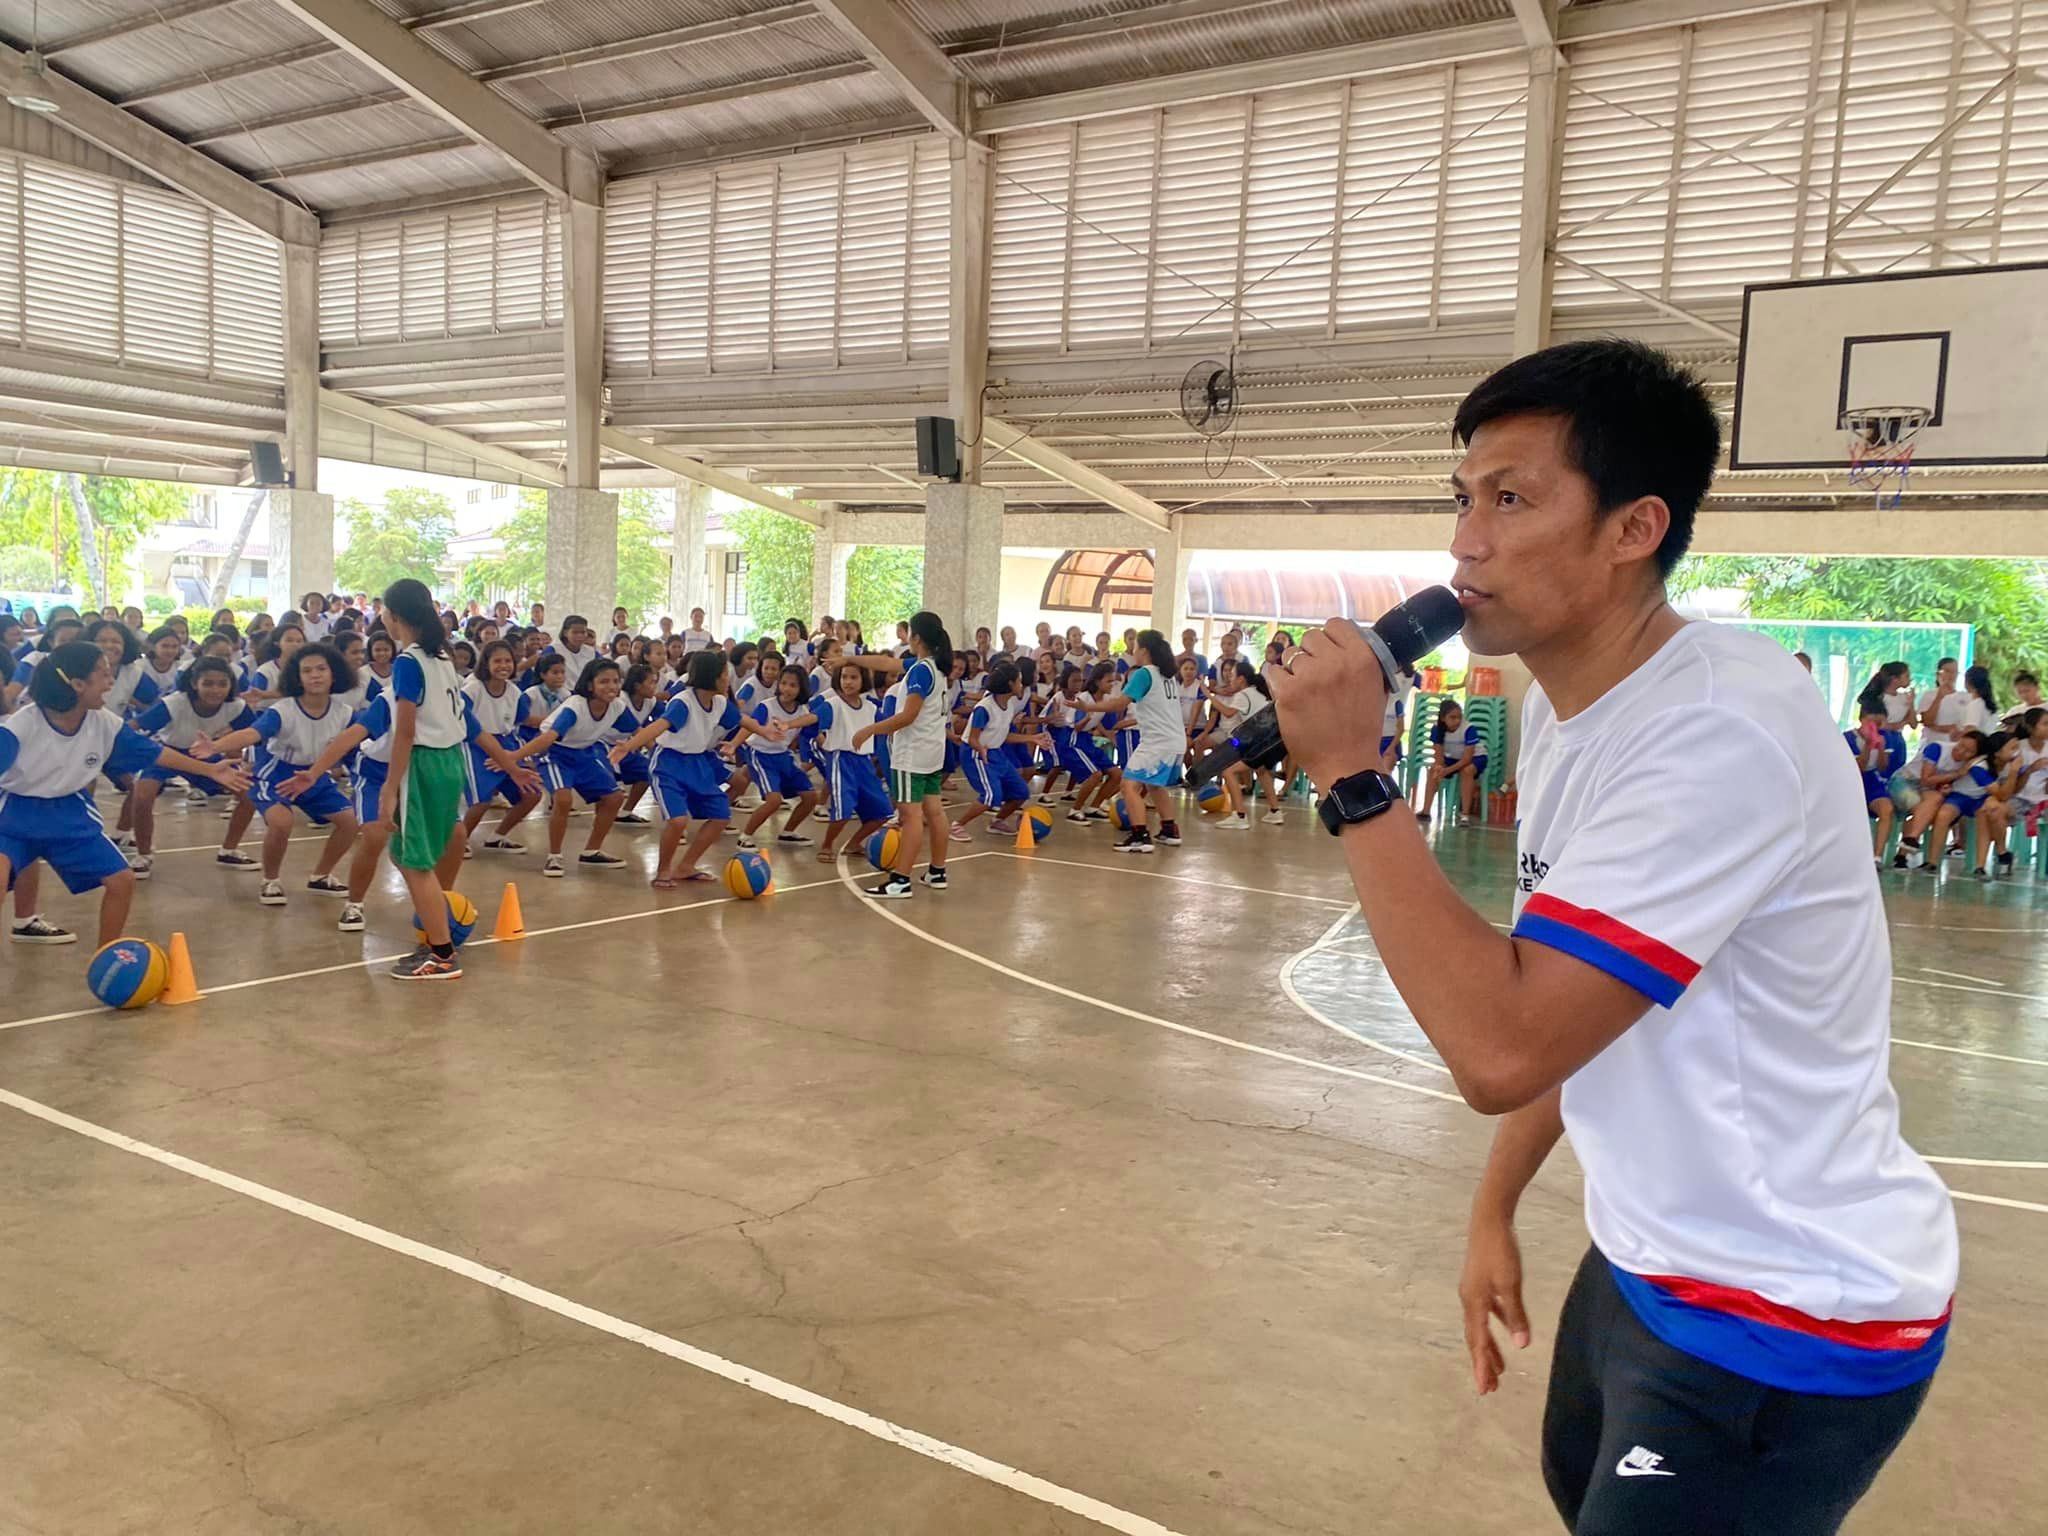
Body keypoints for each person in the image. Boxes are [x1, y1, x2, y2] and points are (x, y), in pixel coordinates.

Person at [1267, 338, 1954, 1536]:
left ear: (1634, 529)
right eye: (1463, 500)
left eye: (1512, 499)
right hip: (1646, 1256)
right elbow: (1571, 1002)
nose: (1463, 542)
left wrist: (1351, 776)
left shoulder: (1713, 733)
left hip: (1781, 1309)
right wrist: (1493, 1211)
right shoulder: (1583, 709)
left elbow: (1501, 1048)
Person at [0, 642, 246, 946]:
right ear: (77, 685)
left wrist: (208, 770)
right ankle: (25, 922)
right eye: (103, 675)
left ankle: (106, 955)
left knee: (122, 881)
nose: (111, 682)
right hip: (16, 815)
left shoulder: (104, 722)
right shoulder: (23, 724)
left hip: (70, 813)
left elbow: (155, 752)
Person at [195, 642, 363, 908]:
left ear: (335, 674)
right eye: (307, 670)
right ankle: (270, 880)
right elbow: (252, 734)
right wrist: (215, 746)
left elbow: (359, 748)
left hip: (313, 774)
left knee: (350, 823)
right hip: (275, 773)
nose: (315, 675)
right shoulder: (283, 710)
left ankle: (320, 875)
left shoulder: (345, 714)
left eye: (321, 669)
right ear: (297, 677)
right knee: (281, 822)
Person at [607, 649, 781, 887]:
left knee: (720, 816)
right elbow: (658, 726)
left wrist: (766, 731)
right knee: (677, 821)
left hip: (697, 763)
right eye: (723, 675)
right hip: (668, 763)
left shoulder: (719, 702)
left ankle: (686, 866)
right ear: (711, 677)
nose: (727, 679)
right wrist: (628, 746)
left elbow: (742, 720)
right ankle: (663, 871)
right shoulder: (684, 702)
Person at [126, 657, 254, 879]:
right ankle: (143, 855)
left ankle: (229, 850)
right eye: (208, 683)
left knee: (249, 794)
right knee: (142, 796)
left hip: (204, 756)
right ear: (195, 684)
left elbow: (257, 734)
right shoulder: (174, 703)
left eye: (222, 684)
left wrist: (248, 761)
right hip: (167, 753)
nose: (215, 690)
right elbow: (133, 727)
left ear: (230, 685)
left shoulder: (237, 707)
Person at [508, 658, 636, 878]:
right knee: (564, 799)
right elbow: (548, 737)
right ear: (590, 685)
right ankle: (554, 856)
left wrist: (633, 744)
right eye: (604, 681)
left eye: (616, 681)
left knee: (614, 798)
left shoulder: (617, 706)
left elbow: (636, 728)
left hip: (585, 752)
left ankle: (591, 851)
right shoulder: (575, 706)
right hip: (556, 753)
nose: (612, 686)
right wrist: (512, 758)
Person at [857, 611, 954, 898]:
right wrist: (850, 659)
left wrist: (870, 730)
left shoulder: (922, 671)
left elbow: (908, 716)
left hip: (912, 753)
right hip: (932, 752)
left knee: (910, 816)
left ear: (916, 638)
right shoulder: (934, 666)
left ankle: (900, 880)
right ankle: (937, 871)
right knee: (934, 812)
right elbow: (886, 663)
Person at [1069, 630, 1185, 854]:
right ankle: (1170, 830)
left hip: (1157, 741)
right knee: (1154, 785)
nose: (1132, 650)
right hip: (1174, 740)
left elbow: (1119, 704)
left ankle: (1140, 836)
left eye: (1135, 646)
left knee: (1128, 784)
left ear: (1144, 650)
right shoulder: (1168, 675)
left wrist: (1087, 707)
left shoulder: (1144, 674)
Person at [458, 639, 544, 855]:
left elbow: (523, 719)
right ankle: (459, 841)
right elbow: (462, 721)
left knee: (531, 793)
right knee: (481, 800)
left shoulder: (514, 692)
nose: (503, 665)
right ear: (485, 663)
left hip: (506, 742)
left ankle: (498, 836)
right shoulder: (473, 688)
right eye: (497, 661)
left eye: (508, 660)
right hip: (475, 744)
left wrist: (554, 722)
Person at [811, 657, 895, 862]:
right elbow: (813, 720)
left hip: (864, 762)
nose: (848, 681)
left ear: (863, 680)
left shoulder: (871, 707)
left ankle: (853, 843)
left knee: (883, 812)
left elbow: (887, 725)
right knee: (843, 810)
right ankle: (827, 845)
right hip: (841, 759)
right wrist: (816, 734)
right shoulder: (833, 704)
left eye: (853, 677)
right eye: (844, 677)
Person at [734, 664, 820, 851]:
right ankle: (745, 836)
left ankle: (788, 832)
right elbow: (749, 726)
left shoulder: (803, 711)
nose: (787, 689)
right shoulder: (767, 706)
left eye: (793, 685)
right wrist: (733, 744)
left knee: (810, 797)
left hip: (783, 756)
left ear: (802, 688)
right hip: (760, 755)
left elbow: (812, 732)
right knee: (773, 800)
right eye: (784, 683)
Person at [1846, 701, 1908, 868]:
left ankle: (1877, 856)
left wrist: (1879, 747)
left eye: (1879, 723)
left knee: (1886, 809)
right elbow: (1859, 767)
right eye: (1871, 722)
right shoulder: (1848, 738)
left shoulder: (1885, 737)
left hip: (1874, 781)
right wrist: (1867, 745)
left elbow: (1882, 766)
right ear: (1861, 719)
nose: (1875, 727)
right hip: (1852, 781)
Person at [1417, 699, 1487, 825]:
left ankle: (1465, 815)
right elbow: (1438, 756)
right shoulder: (1437, 729)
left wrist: (1447, 770)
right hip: (1452, 758)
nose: (1457, 721)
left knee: (1467, 771)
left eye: (1459, 717)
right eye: (1452, 717)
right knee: (1433, 769)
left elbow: (1467, 759)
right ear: (1443, 718)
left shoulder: (1468, 729)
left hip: (1475, 758)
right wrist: (1440, 768)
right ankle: (1426, 811)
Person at [1914, 656, 1966, 748]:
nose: (1951, 675)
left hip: (1955, 746)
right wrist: (1939, 697)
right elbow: (1927, 721)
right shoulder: (1929, 695)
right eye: (1947, 671)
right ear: (1938, 674)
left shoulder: (1964, 697)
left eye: (1954, 672)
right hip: (1932, 743)